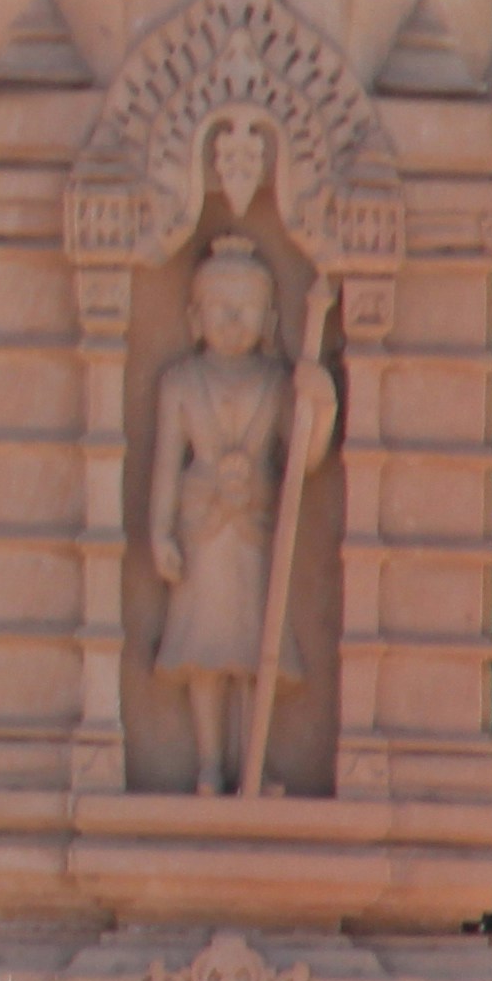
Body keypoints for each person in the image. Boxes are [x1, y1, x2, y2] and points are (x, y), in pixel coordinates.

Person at [146, 238, 321, 795]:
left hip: (256, 531)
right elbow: (166, 466)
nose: (232, 318)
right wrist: (159, 533)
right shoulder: (181, 382)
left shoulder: (275, 382)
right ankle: (207, 765)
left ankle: (254, 765)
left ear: (269, 318)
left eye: (244, 306)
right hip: (202, 531)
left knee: (255, 653)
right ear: (195, 316)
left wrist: (321, 403)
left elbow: (301, 458)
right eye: (220, 304)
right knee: (204, 656)